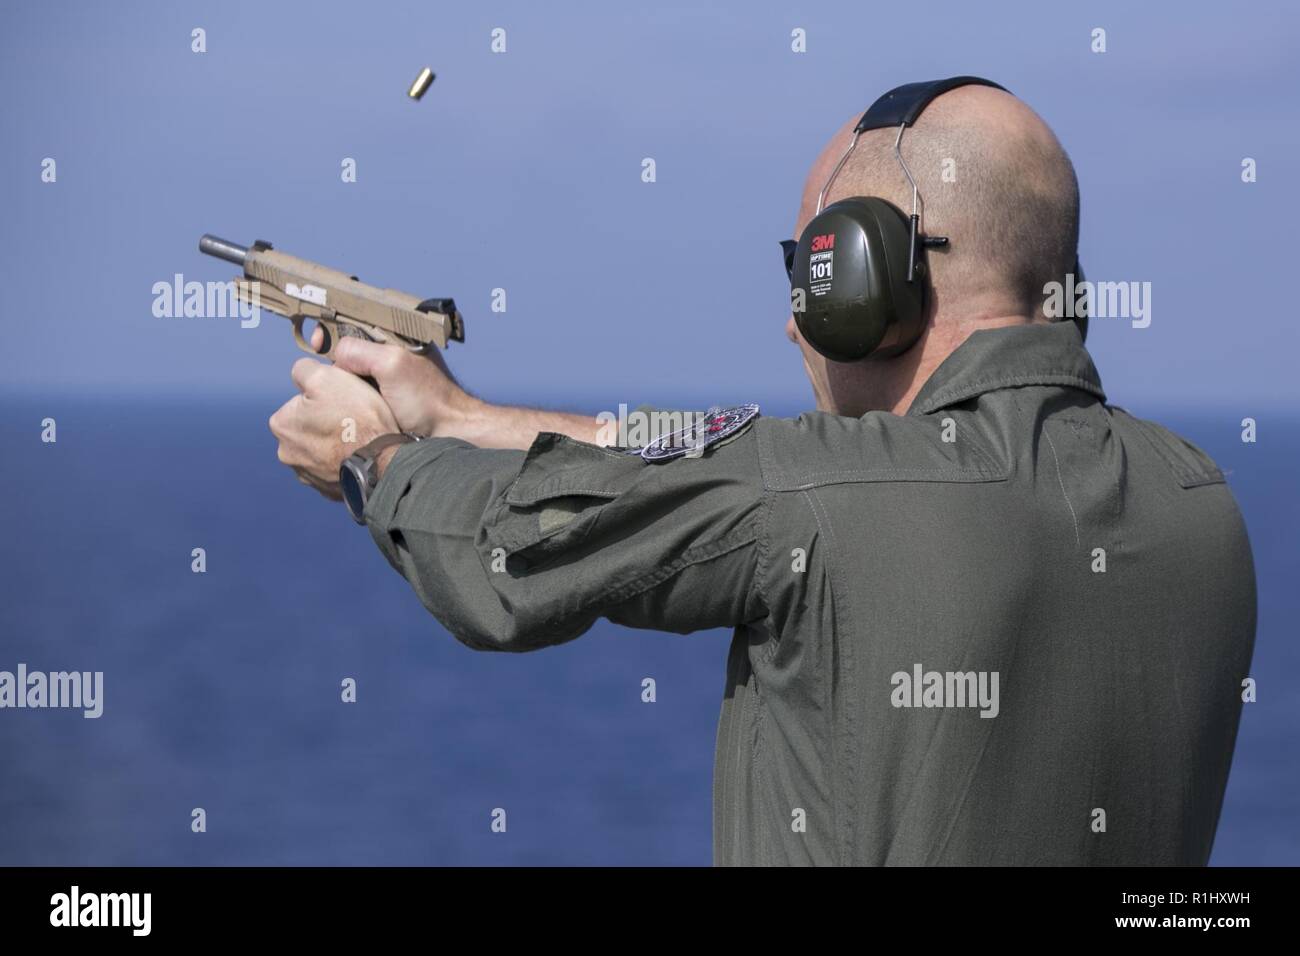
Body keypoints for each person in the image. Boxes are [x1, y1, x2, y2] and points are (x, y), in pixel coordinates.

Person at [269, 78, 1256, 865]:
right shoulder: (1196, 498)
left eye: (806, 268)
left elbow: (501, 563)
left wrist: (374, 459)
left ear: (872, 273)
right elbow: (723, 456)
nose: (792, 318)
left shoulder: (824, 501)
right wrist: (462, 416)